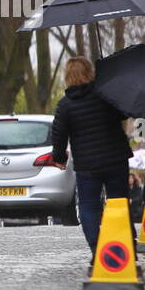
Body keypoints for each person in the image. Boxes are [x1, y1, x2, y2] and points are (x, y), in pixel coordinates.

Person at [49, 56, 132, 253]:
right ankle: (126, 247)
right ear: (89, 72)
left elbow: (58, 135)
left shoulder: (65, 105)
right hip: (115, 159)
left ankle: (96, 249)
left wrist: (59, 158)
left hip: (87, 165)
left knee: (88, 206)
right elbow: (124, 112)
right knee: (118, 202)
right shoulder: (105, 95)